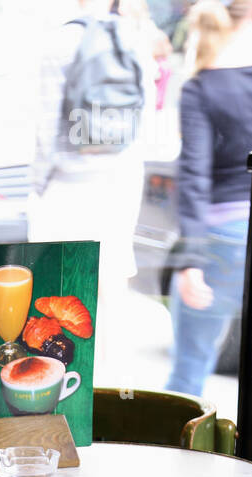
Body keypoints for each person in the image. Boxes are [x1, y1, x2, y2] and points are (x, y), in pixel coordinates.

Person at [28, 1, 156, 372]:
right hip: (119, 187)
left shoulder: (61, 41)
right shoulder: (135, 39)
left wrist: (38, 188)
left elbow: (46, 128)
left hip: (67, 190)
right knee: (108, 298)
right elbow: (142, 126)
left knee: (55, 298)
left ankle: (63, 390)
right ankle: (107, 389)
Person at [167, 1, 252, 397]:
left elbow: (193, 177)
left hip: (224, 237)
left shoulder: (202, 87)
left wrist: (190, 261)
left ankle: (180, 450)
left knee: (189, 373)